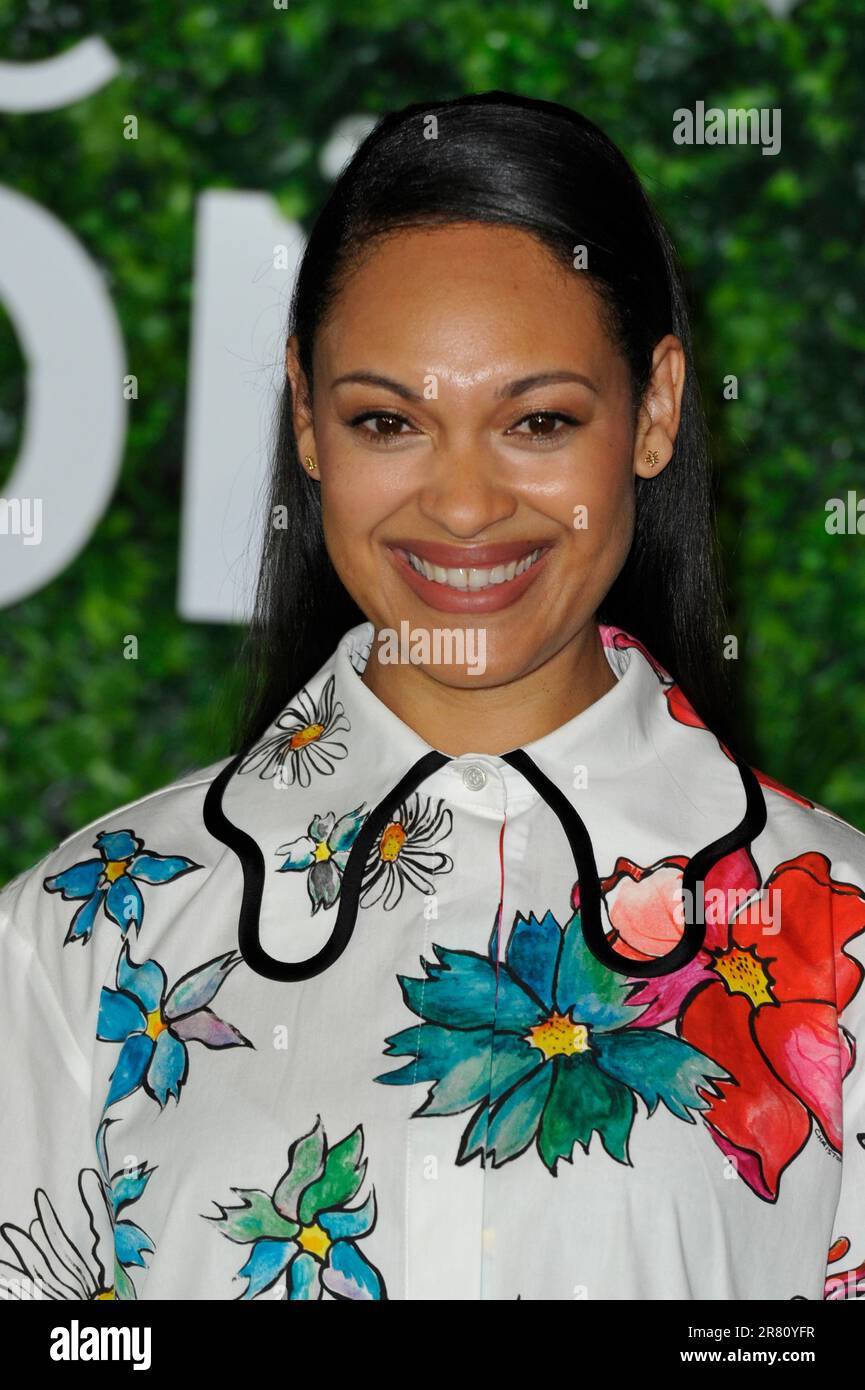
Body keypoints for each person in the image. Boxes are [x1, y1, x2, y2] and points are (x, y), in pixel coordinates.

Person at [1, 90, 863, 1303]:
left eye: (538, 419)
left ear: (655, 411)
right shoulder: (79, 944)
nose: (462, 508)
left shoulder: (845, 931)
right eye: (388, 420)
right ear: (307, 419)